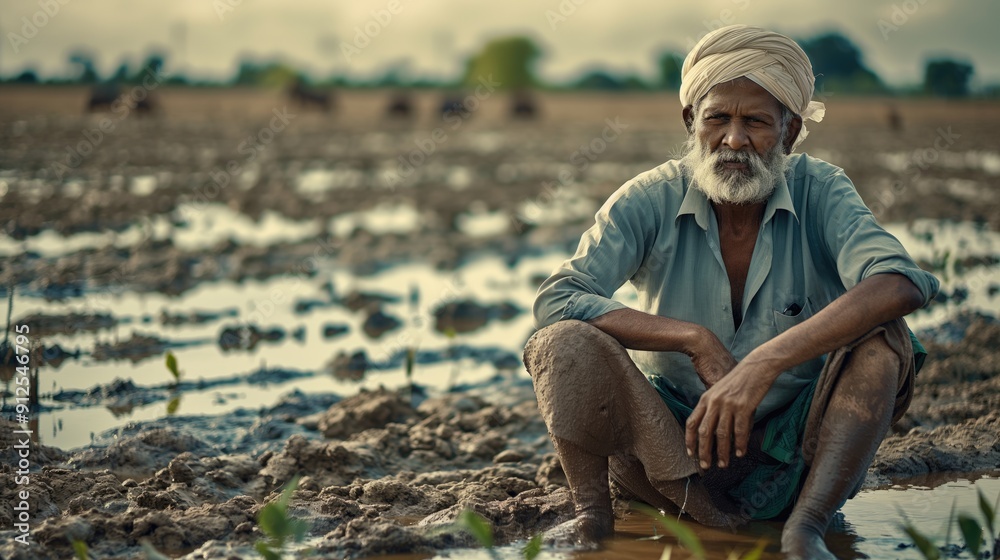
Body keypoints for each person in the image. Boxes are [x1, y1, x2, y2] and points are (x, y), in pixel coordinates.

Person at [524, 24, 939, 560]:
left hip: (794, 452)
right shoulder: (649, 198)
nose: (734, 140)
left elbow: (901, 282)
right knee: (563, 342)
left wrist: (764, 362)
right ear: (691, 121)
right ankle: (593, 519)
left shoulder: (823, 190)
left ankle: (807, 529)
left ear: (789, 134)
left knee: (884, 339)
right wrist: (691, 338)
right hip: (671, 453)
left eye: (757, 123)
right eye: (717, 118)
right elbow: (559, 298)